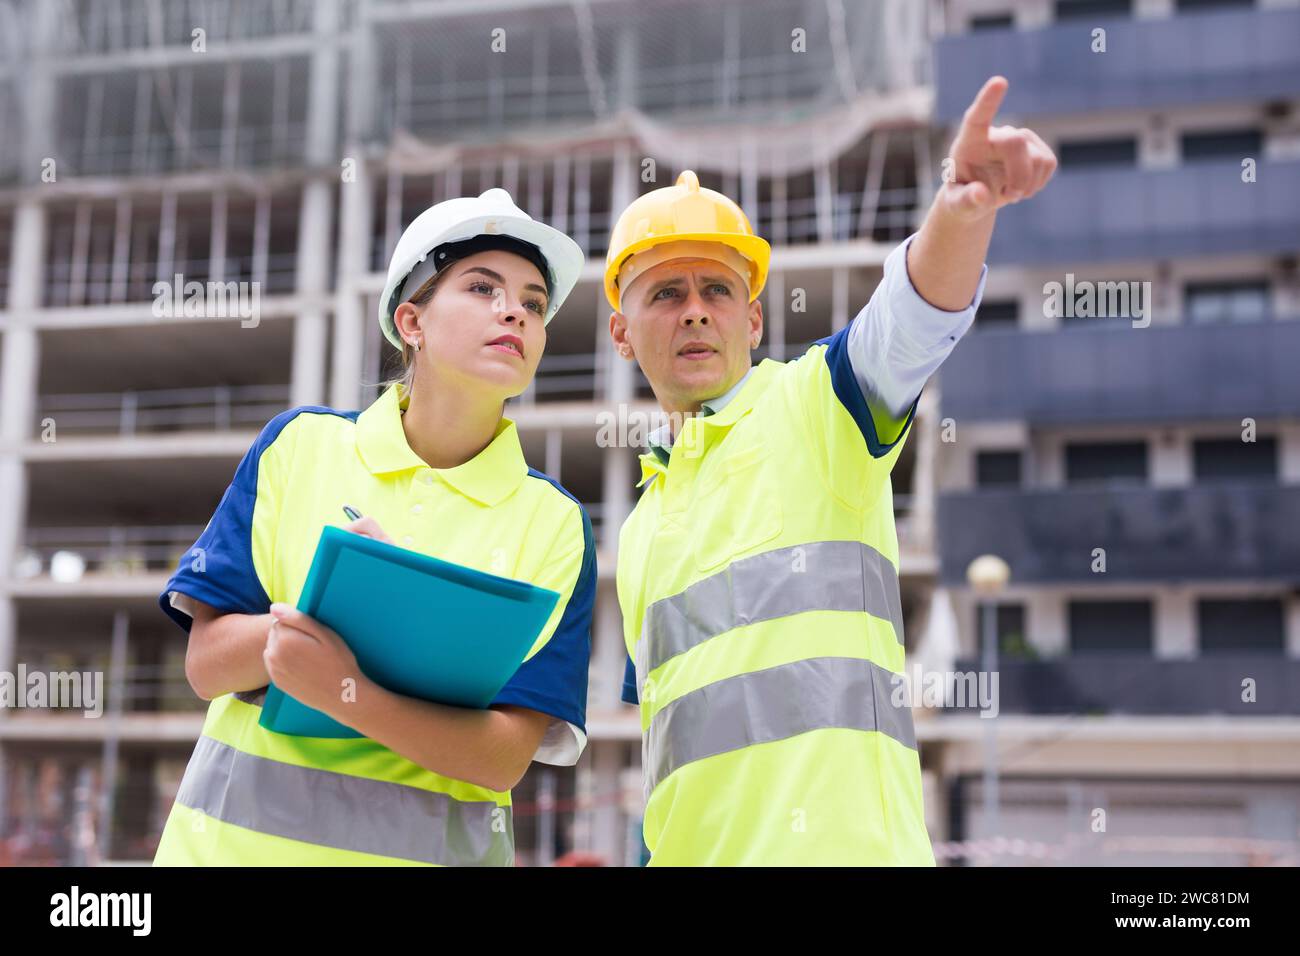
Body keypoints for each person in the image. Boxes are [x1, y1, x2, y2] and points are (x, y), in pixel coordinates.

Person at [607, 76, 1057, 865]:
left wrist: (959, 210)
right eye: (666, 292)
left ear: (753, 318)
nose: (695, 310)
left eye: (718, 288)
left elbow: (910, 319)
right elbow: (664, 762)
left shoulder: (816, 407)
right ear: (620, 331)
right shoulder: (641, 528)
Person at [153, 188, 595, 866]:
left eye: (534, 304)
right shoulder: (297, 447)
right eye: (483, 287)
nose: (515, 311)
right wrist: (306, 621)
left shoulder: (555, 523)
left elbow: (505, 757)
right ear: (410, 321)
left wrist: (342, 690)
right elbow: (206, 664)